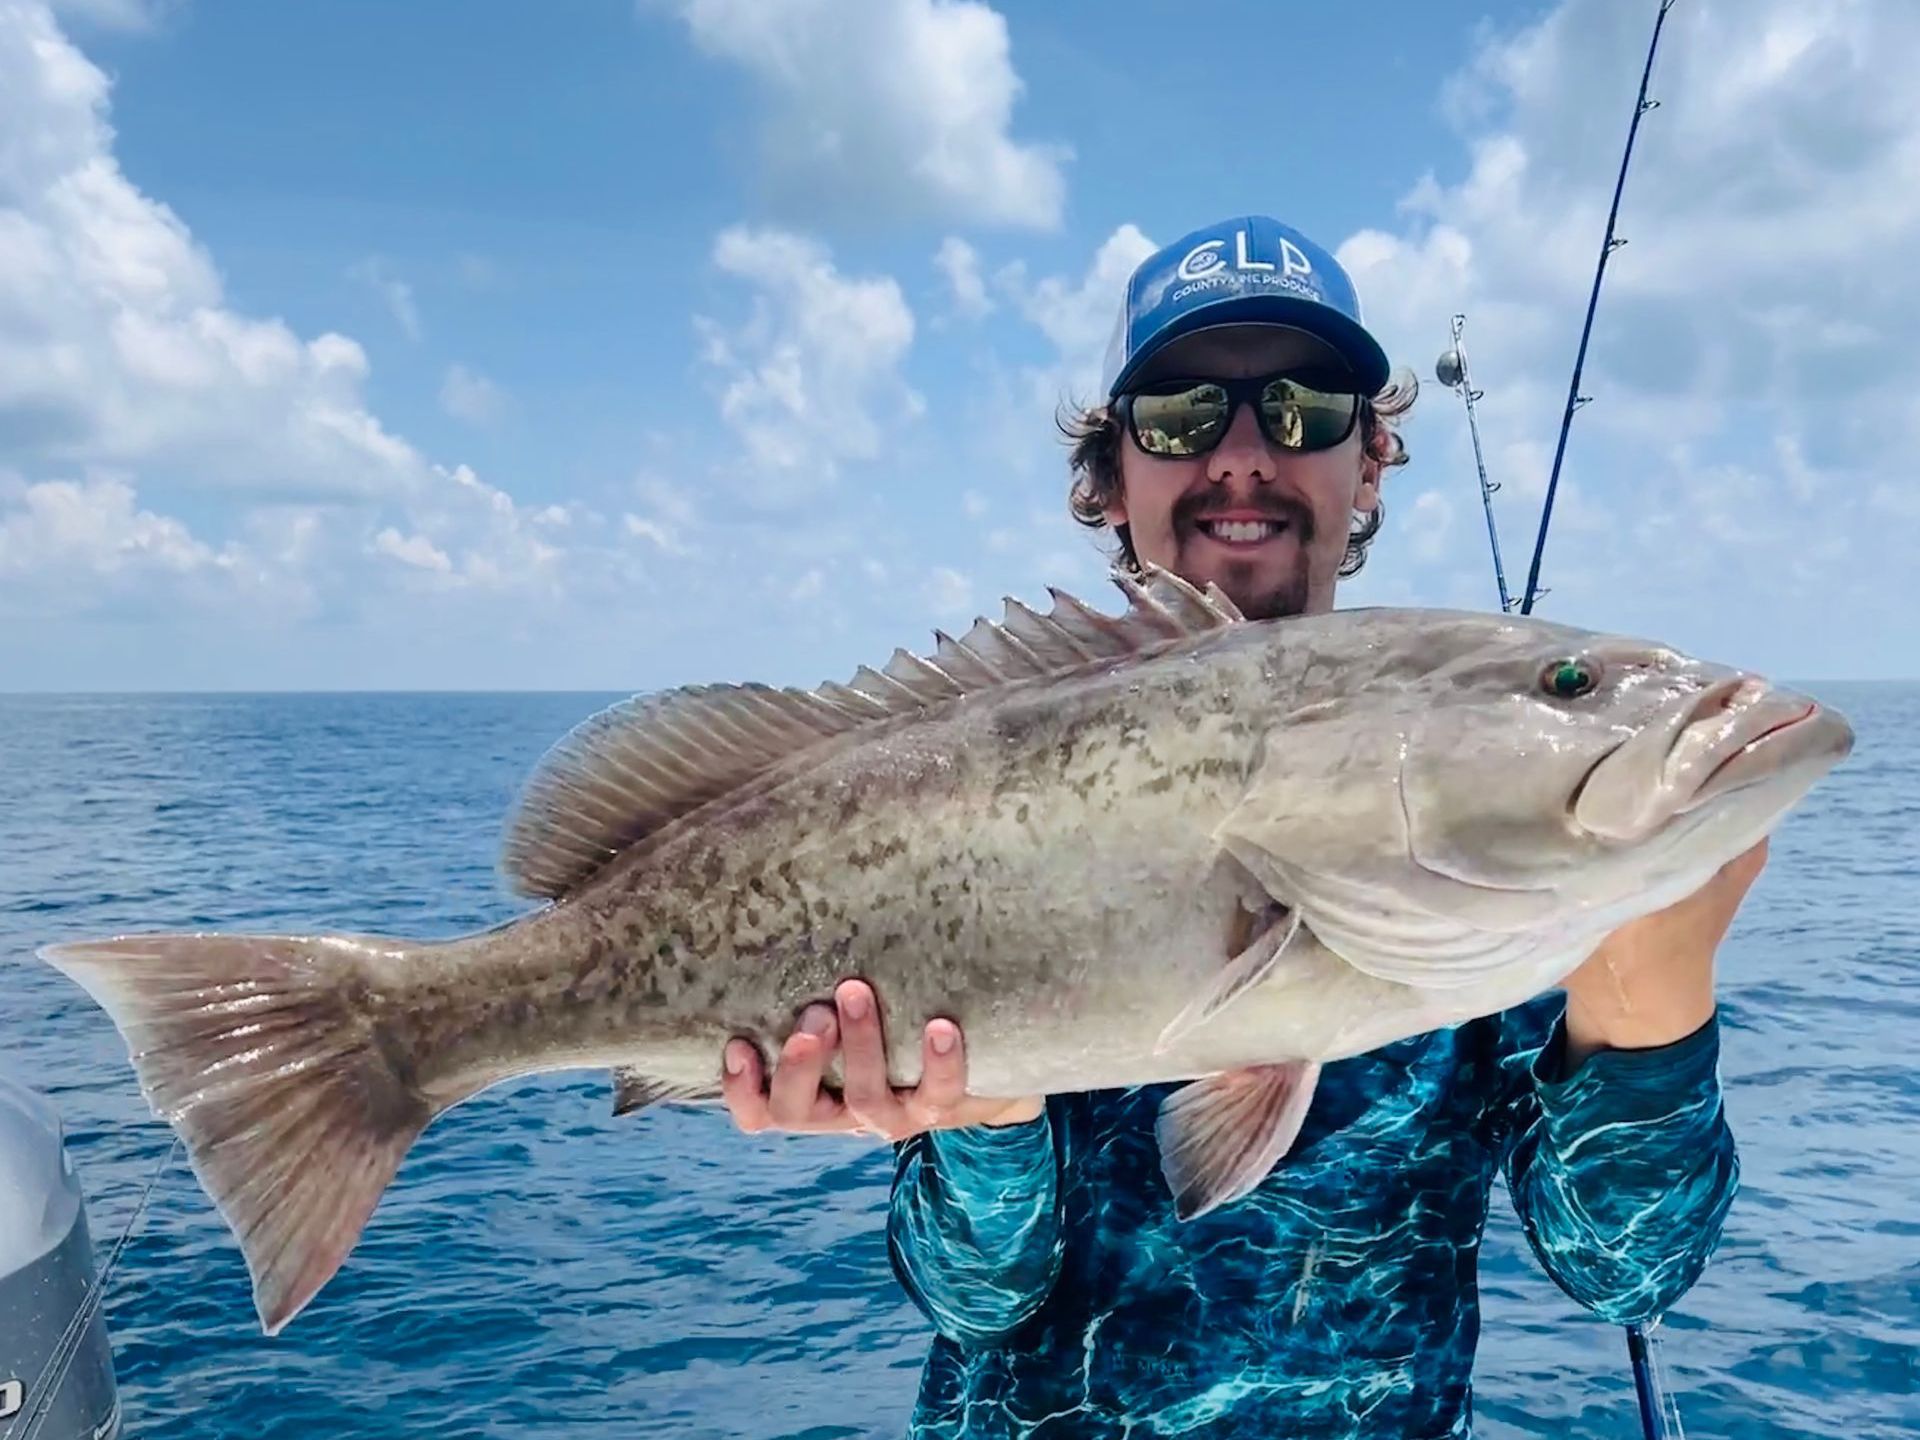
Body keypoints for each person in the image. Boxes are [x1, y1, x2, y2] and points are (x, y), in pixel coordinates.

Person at [718, 215, 1759, 1438]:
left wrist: (1655, 977)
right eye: (1180, 416)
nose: (1245, 454)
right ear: (1111, 475)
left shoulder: (1487, 832)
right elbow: (975, 1299)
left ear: (1371, 459)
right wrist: (977, 1108)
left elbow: (1626, 1273)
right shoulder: (982, 787)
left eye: (1305, 408)